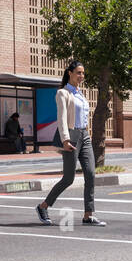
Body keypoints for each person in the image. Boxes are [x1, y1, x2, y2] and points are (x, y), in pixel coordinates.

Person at [36, 61, 105, 227]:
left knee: (90, 173)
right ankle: (43, 206)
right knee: (68, 178)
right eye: (78, 73)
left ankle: (88, 215)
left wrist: (86, 134)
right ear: (70, 73)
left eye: (83, 73)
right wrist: (66, 140)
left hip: (84, 135)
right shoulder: (63, 93)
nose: (81, 76)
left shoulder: (81, 94)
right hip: (71, 135)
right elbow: (61, 119)